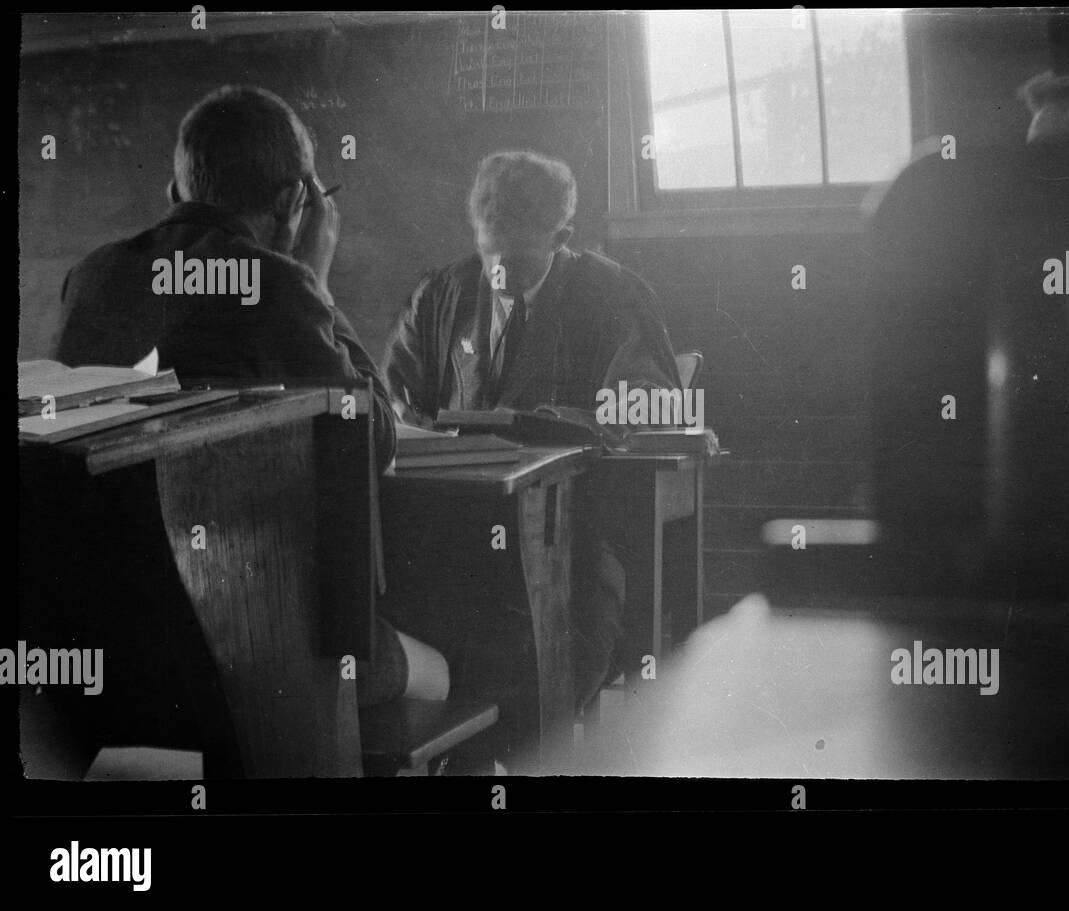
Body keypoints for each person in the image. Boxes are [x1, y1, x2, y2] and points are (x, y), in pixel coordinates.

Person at [55, 84, 447, 707]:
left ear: (175, 192)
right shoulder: (281, 284)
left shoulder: (92, 275)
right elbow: (373, 443)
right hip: (264, 654)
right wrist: (315, 279)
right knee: (451, 668)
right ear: (296, 200)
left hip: (102, 657)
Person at [381, 149, 681, 710]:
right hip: (456, 534)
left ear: (561, 236)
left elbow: (651, 403)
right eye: (488, 255)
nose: (498, 277)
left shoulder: (613, 294)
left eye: (516, 262)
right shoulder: (442, 295)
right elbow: (393, 399)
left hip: (573, 540)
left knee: (544, 671)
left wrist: (557, 425)